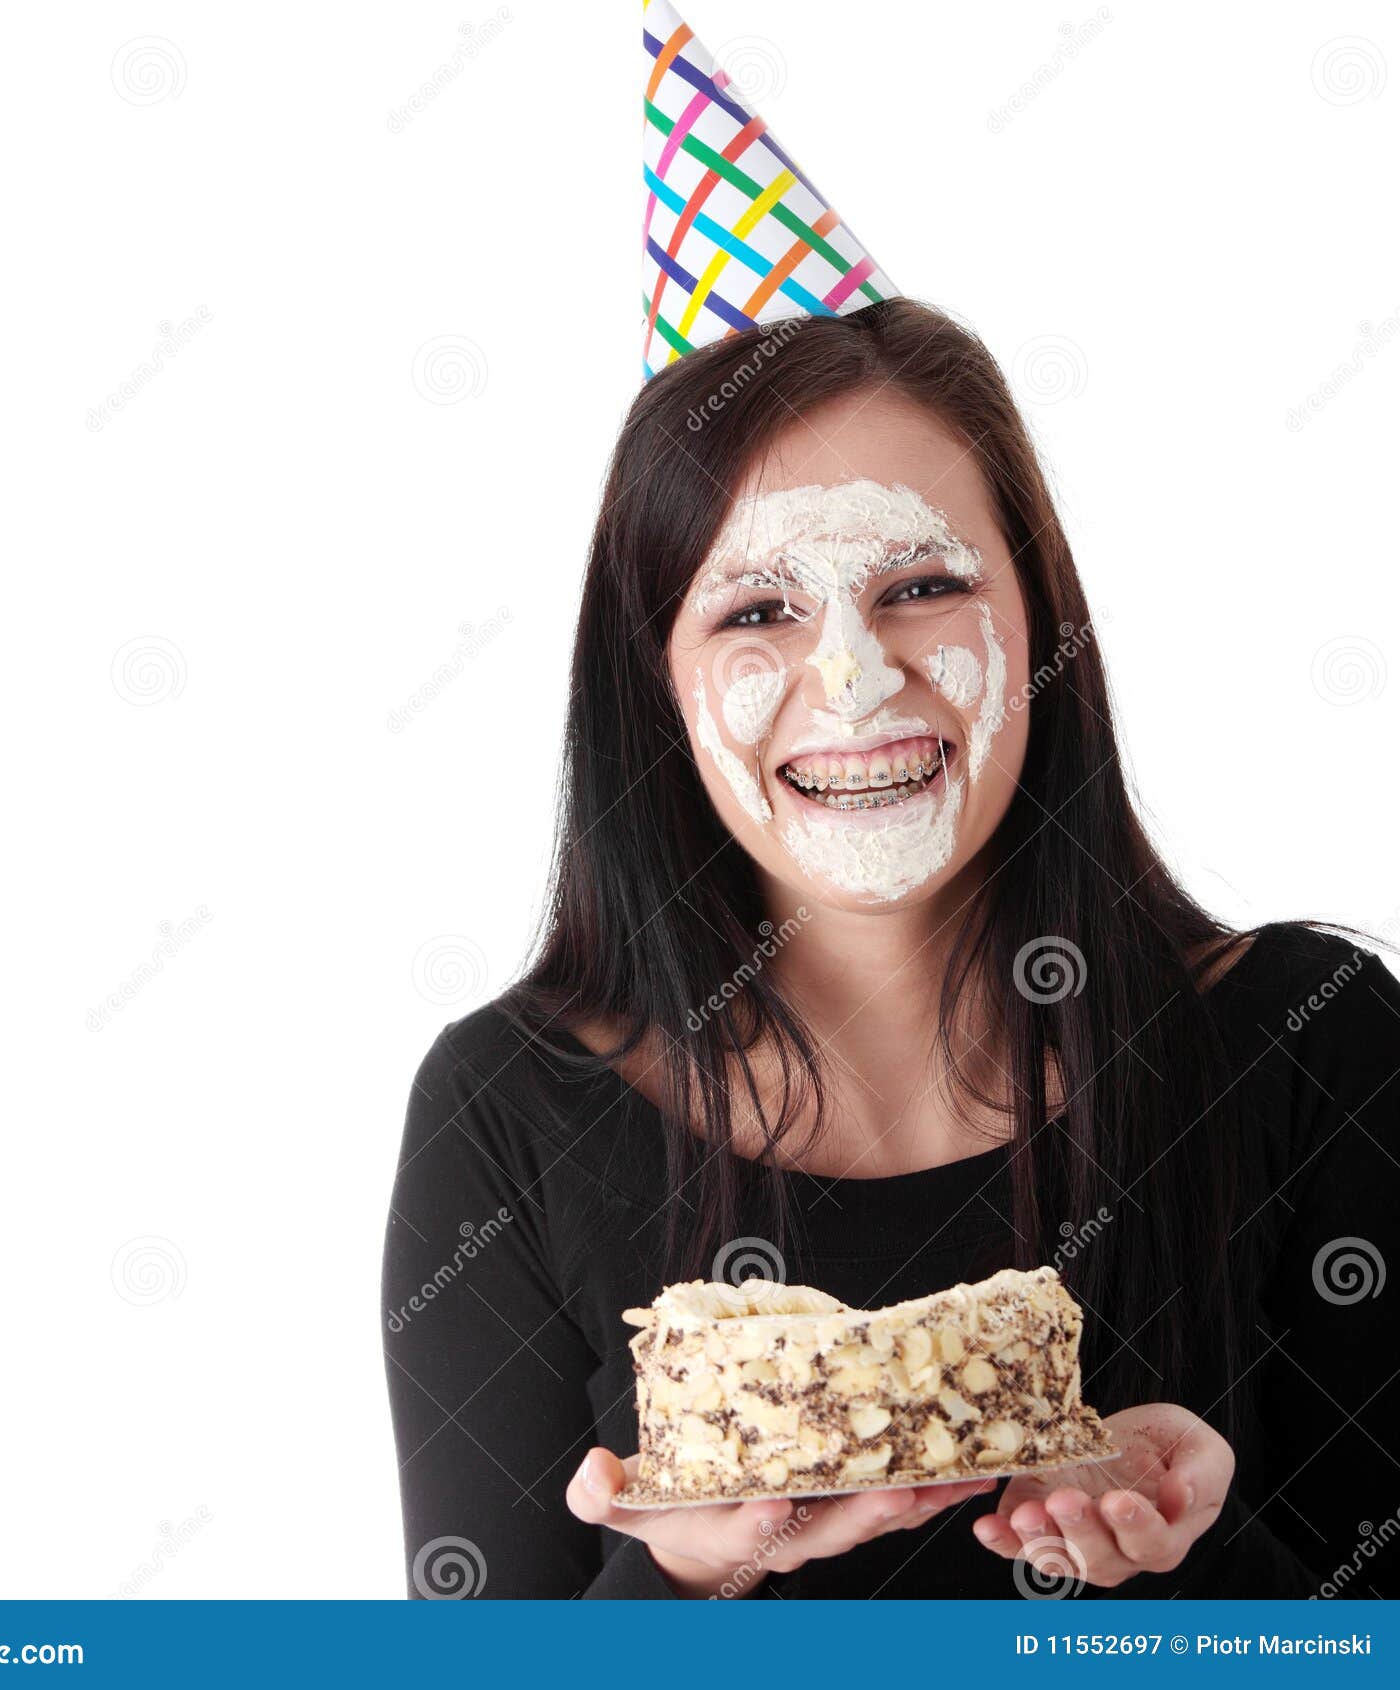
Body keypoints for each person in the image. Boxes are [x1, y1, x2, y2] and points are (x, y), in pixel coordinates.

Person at [383, 5, 1398, 1599]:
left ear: (1040, 623)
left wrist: (1193, 1562)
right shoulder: (512, 1111)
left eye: (921, 585)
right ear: (649, 680)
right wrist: (682, 1578)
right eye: (757, 611)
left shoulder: (1308, 1039)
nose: (856, 683)